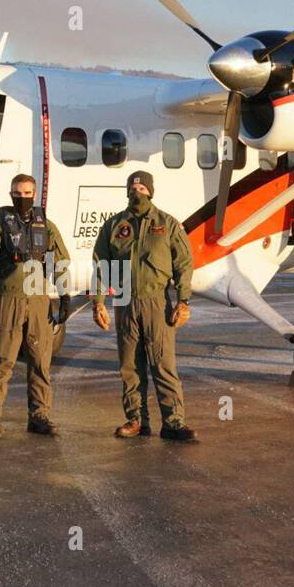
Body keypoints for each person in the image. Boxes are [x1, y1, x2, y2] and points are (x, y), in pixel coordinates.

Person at [92, 170, 197, 442]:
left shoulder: (167, 224)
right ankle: (137, 420)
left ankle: (173, 422)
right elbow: (101, 264)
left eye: (141, 187)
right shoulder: (114, 226)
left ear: (151, 191)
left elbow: (183, 263)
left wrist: (183, 300)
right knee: (130, 366)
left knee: (162, 364)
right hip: (125, 300)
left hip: (157, 301)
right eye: (132, 187)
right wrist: (98, 303)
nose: (136, 191)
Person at [0, 174, 71, 439]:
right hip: (9, 298)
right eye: (17, 194)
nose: (22, 198)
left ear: (35, 194)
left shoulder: (46, 227)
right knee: (1, 361)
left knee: (40, 362)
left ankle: (39, 416)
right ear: (10, 194)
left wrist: (64, 296)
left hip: (38, 300)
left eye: (27, 193)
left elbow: (59, 261)